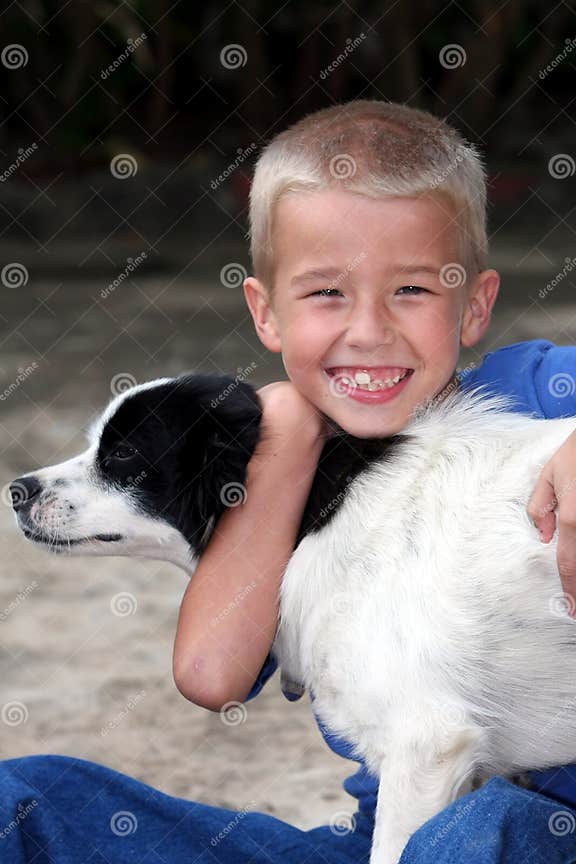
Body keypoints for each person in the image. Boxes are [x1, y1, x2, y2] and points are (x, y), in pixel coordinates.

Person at [2, 99, 576, 863]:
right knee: (21, 802)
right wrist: (285, 436)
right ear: (266, 313)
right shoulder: (287, 497)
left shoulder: (537, 391)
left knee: (478, 830)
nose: (367, 330)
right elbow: (209, 672)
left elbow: (432, 741)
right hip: (382, 840)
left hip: (524, 836)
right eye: (326, 292)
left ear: (473, 307)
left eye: (410, 290)